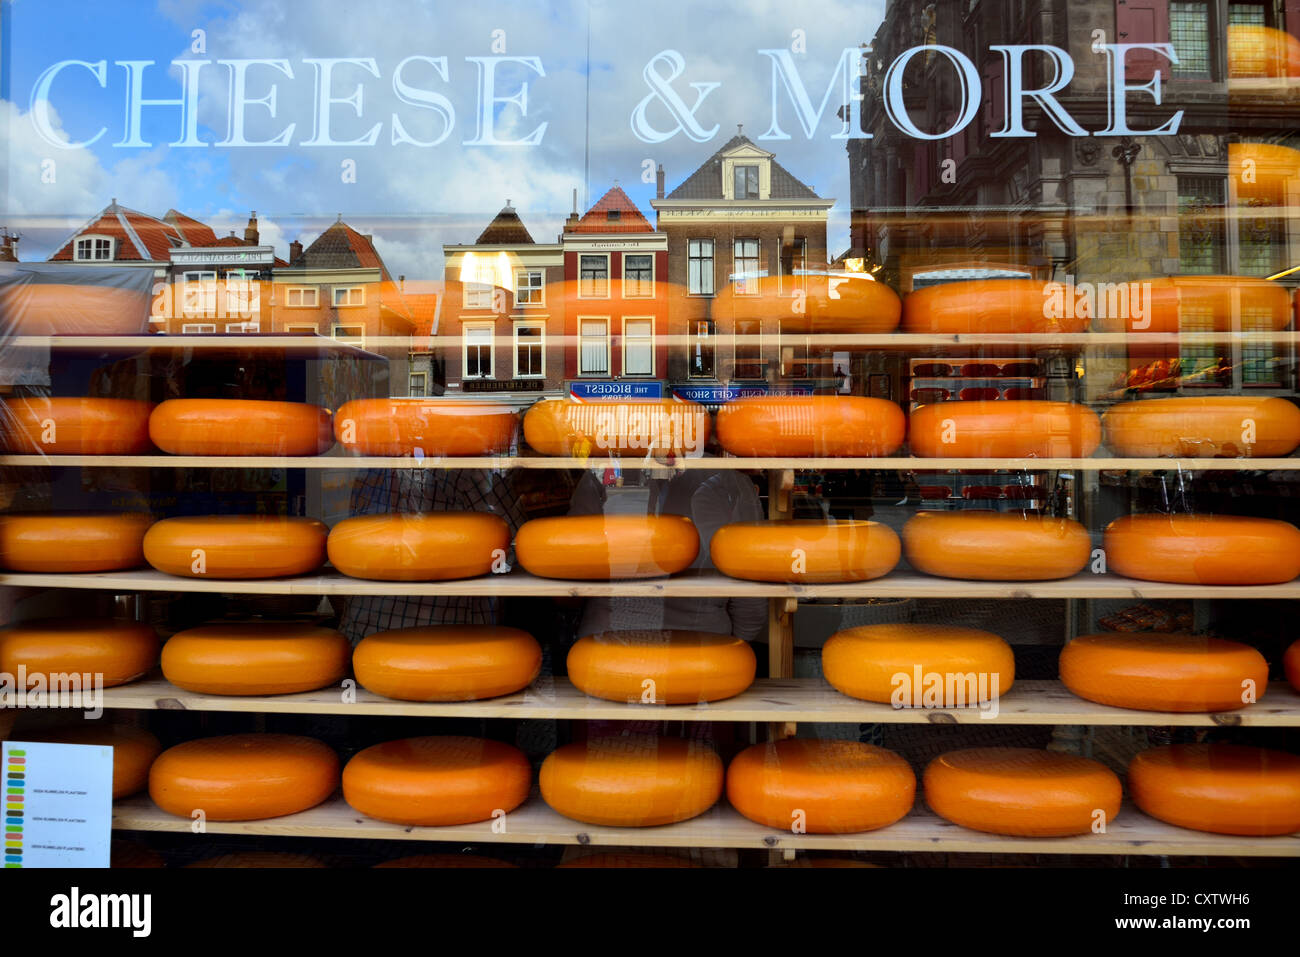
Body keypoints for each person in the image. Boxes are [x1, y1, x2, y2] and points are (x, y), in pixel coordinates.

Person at [566, 467, 766, 642]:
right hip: (701, 649)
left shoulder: (602, 473)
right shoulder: (731, 480)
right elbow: (752, 606)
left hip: (608, 647)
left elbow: (570, 582)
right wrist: (731, 653)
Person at [336, 467, 528, 644]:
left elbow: (515, 548)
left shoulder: (467, 474)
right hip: (365, 642)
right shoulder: (370, 474)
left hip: (449, 647)